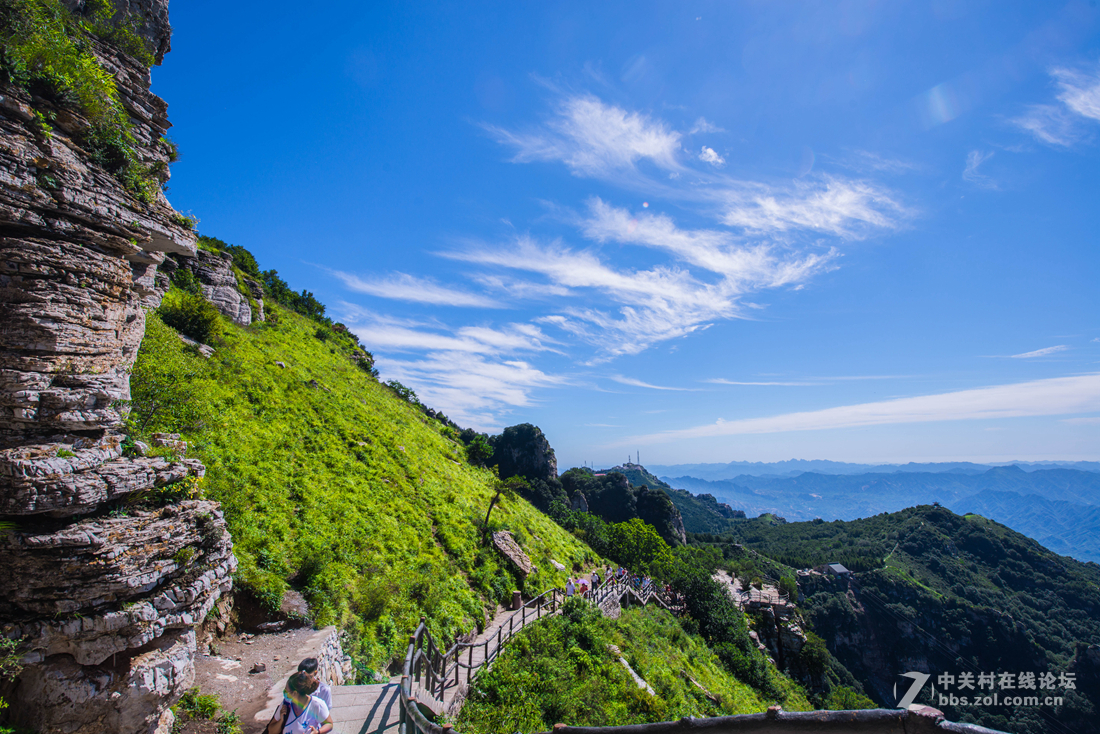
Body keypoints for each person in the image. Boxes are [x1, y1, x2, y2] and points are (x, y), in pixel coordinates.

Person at [267, 671, 334, 734]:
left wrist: (318, 732)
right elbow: (271, 731)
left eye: (286, 690)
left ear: (294, 693)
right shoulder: (286, 705)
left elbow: (329, 724)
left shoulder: (317, 705)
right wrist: (281, 720)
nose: (284, 693)